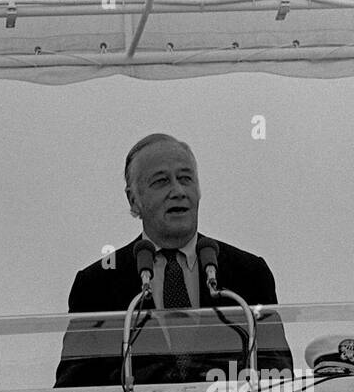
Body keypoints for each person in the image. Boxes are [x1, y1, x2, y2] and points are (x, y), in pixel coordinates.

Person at [65, 133, 278, 313]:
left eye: (186, 178)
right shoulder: (95, 284)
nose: (178, 191)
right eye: (161, 181)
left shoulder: (250, 273)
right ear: (133, 200)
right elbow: (78, 364)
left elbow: (274, 362)